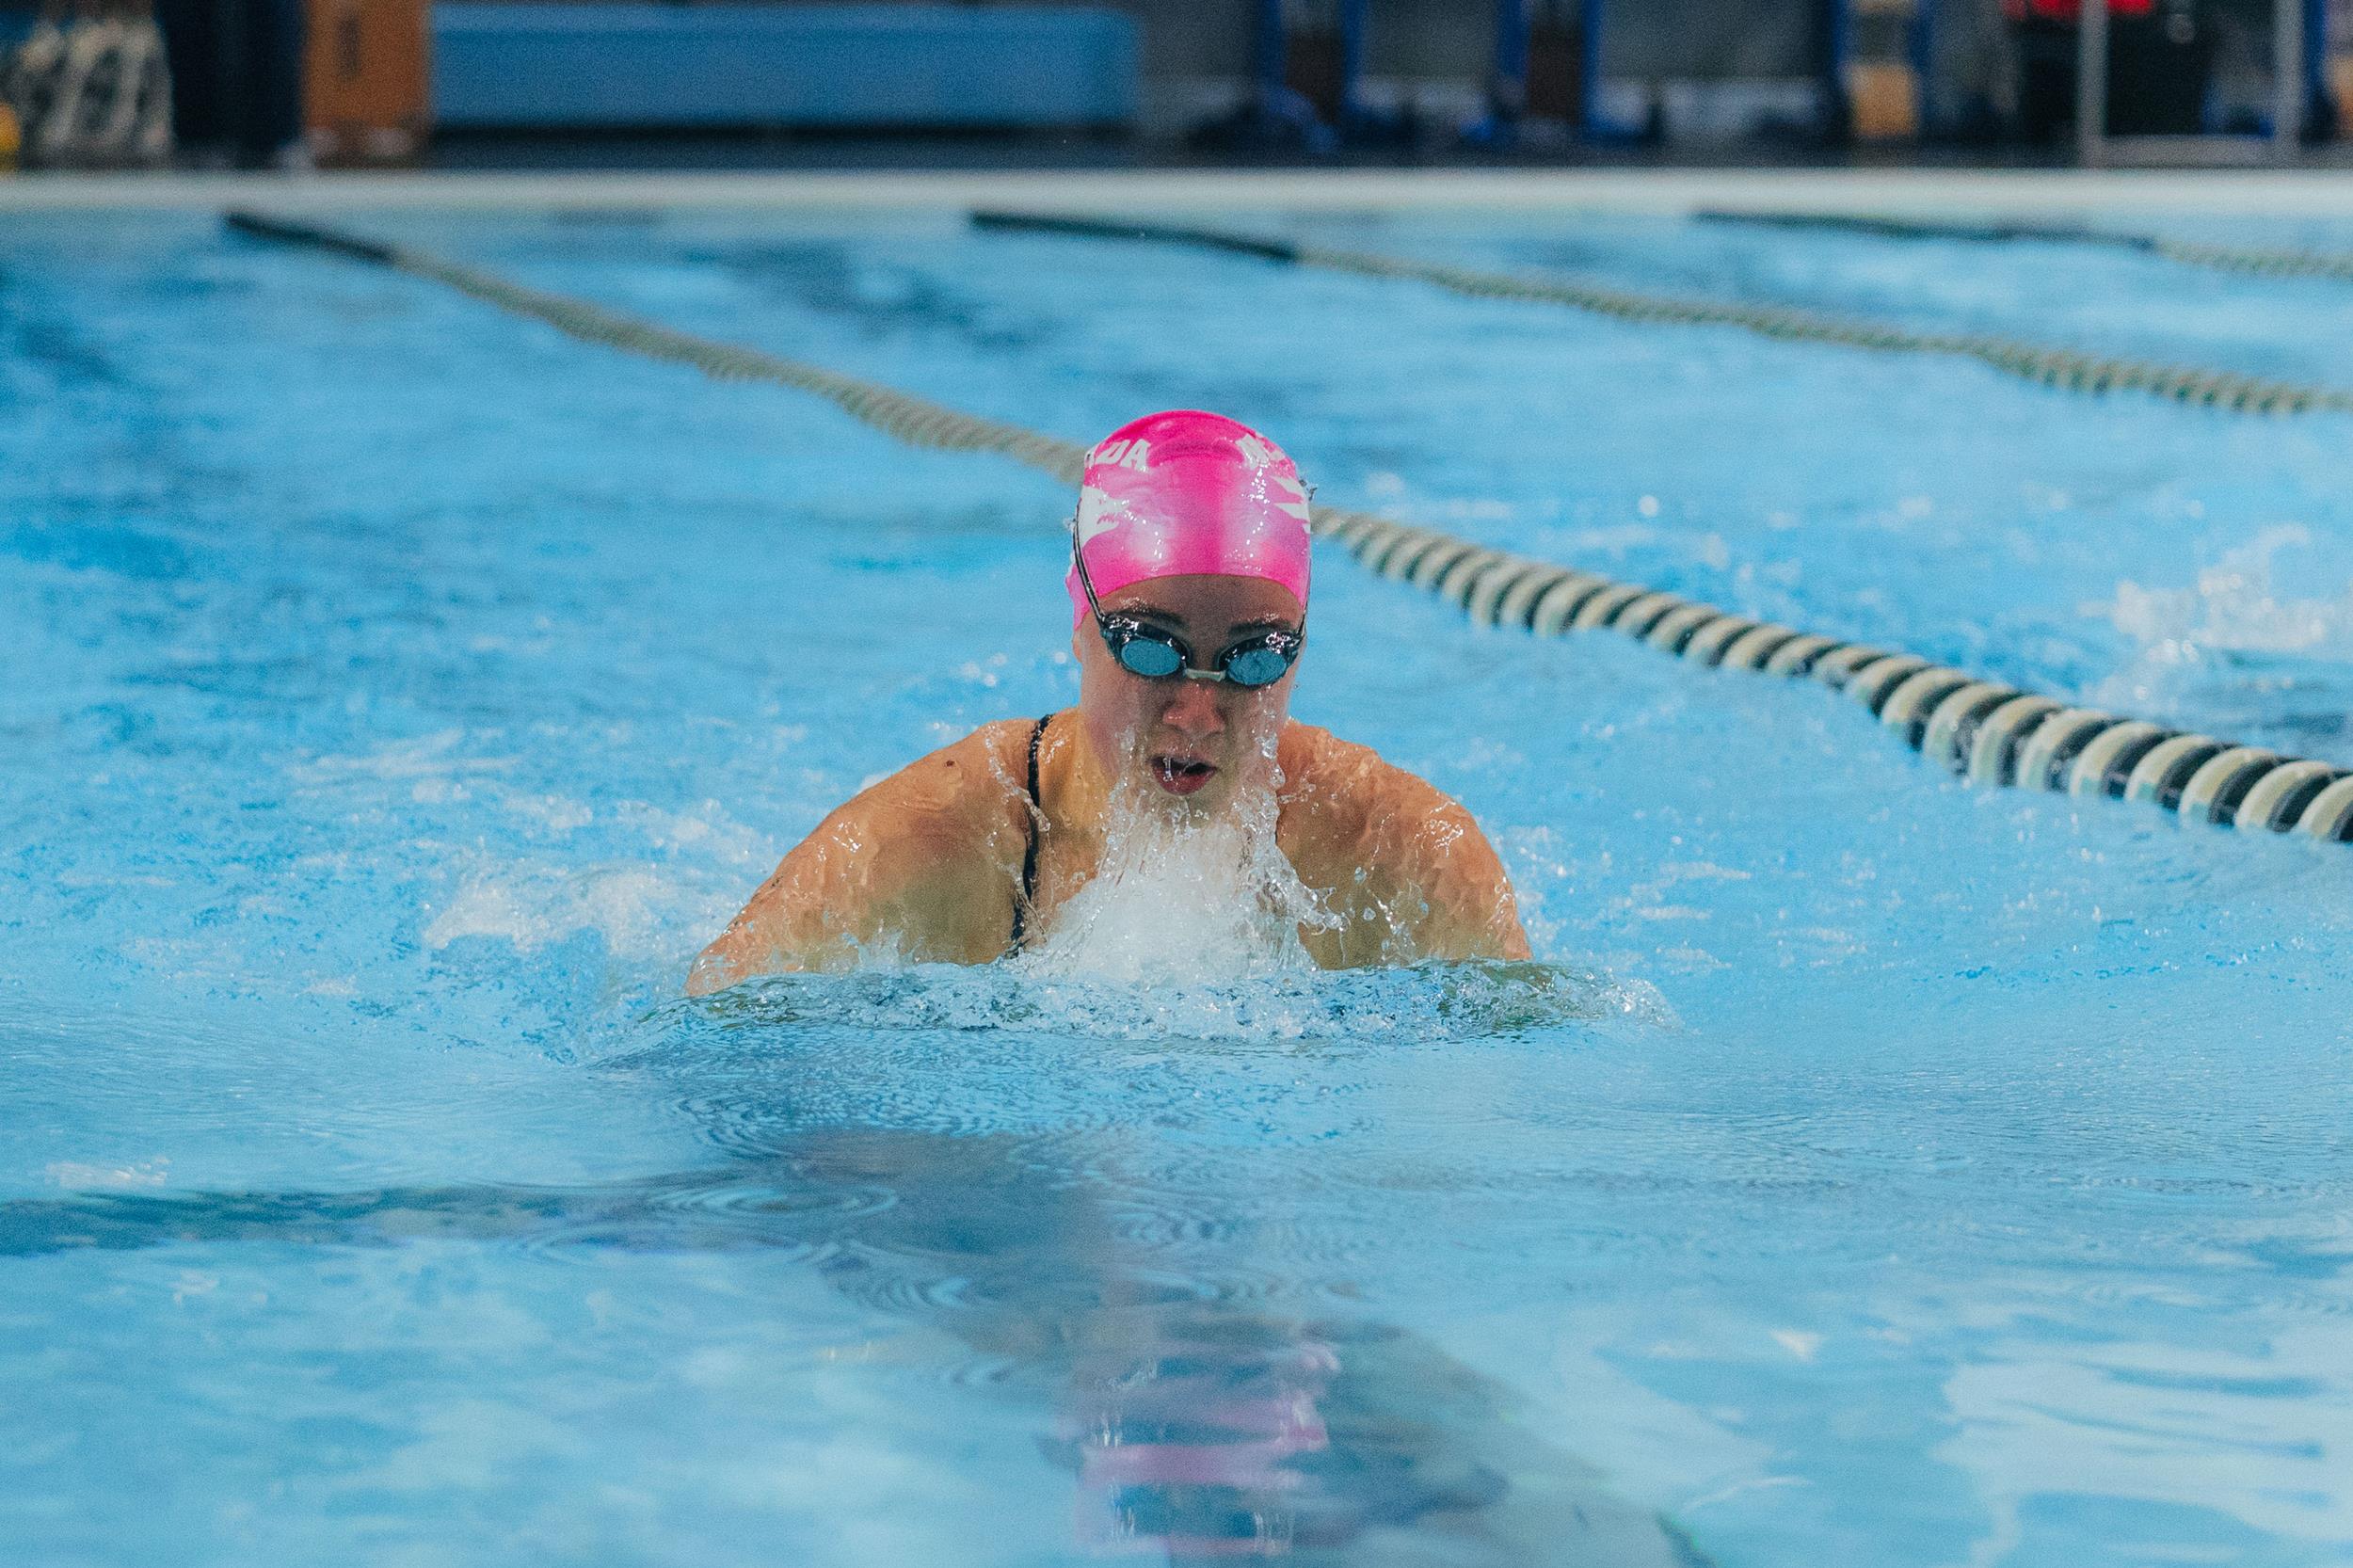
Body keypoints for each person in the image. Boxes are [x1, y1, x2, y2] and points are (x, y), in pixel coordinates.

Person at [687, 410, 1529, 994]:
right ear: (1082, 624)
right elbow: (705, 1041)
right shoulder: (930, 845)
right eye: (1151, 647)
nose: (1197, 713)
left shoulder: (1404, 856)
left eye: (1254, 659)